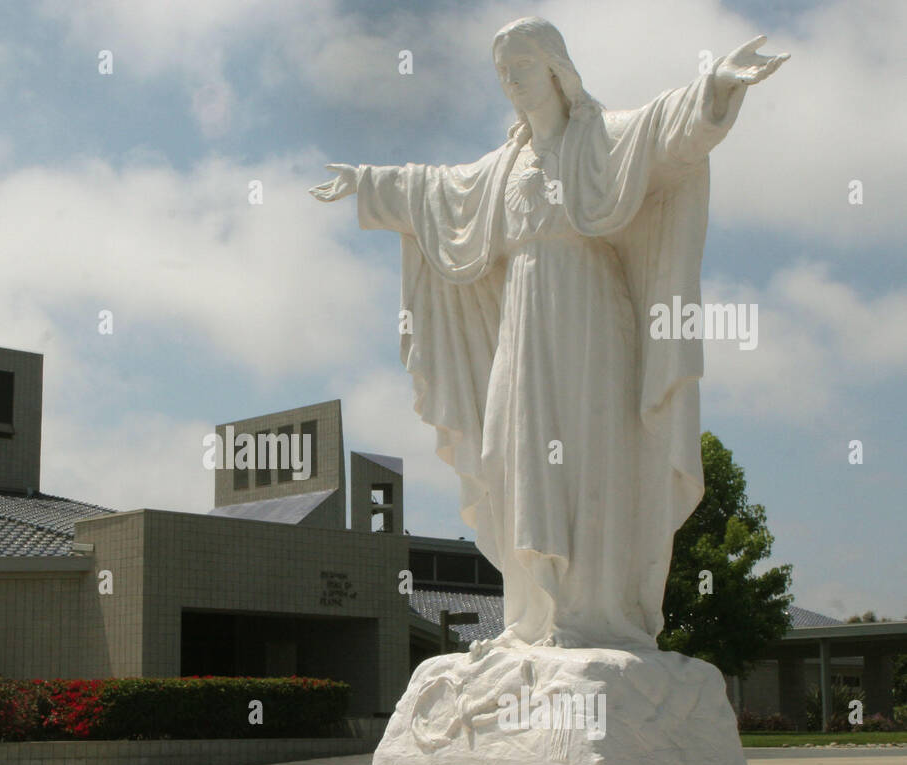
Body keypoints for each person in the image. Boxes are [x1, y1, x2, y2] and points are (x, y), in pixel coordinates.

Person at [311, 16, 786, 655]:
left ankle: (593, 614)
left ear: (557, 69)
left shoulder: (601, 140)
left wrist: (716, 88)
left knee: (590, 450)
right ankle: (534, 616)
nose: (511, 82)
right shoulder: (503, 166)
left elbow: (666, 130)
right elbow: (435, 191)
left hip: (591, 314)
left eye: (522, 67)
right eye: (502, 72)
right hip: (524, 318)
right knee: (513, 450)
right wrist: (367, 182)